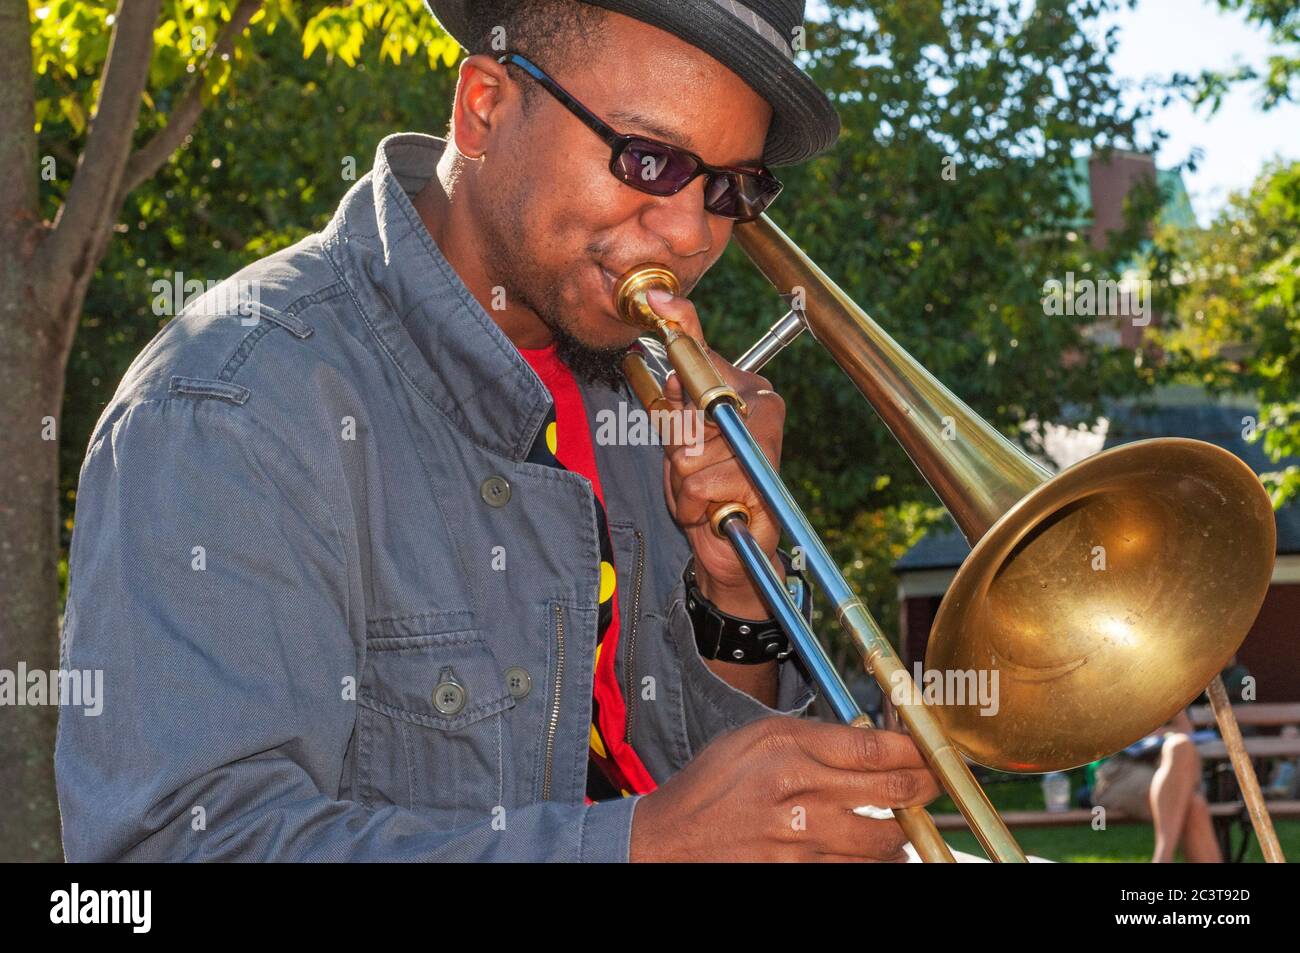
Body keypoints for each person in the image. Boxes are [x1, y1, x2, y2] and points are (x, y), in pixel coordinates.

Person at [55, 0, 942, 862]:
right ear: (483, 108)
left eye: (731, 187)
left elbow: (699, 775)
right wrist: (642, 847)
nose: (688, 232)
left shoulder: (644, 398)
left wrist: (735, 593)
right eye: (645, 160)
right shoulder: (227, 404)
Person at [1089, 710, 1222, 863]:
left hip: (1168, 769)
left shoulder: (1168, 687)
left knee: (1181, 745)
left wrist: (1151, 735)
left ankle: (1162, 858)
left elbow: (1186, 730)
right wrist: (1162, 733)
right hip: (1119, 771)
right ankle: (1163, 858)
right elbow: (1105, 735)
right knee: (1193, 804)